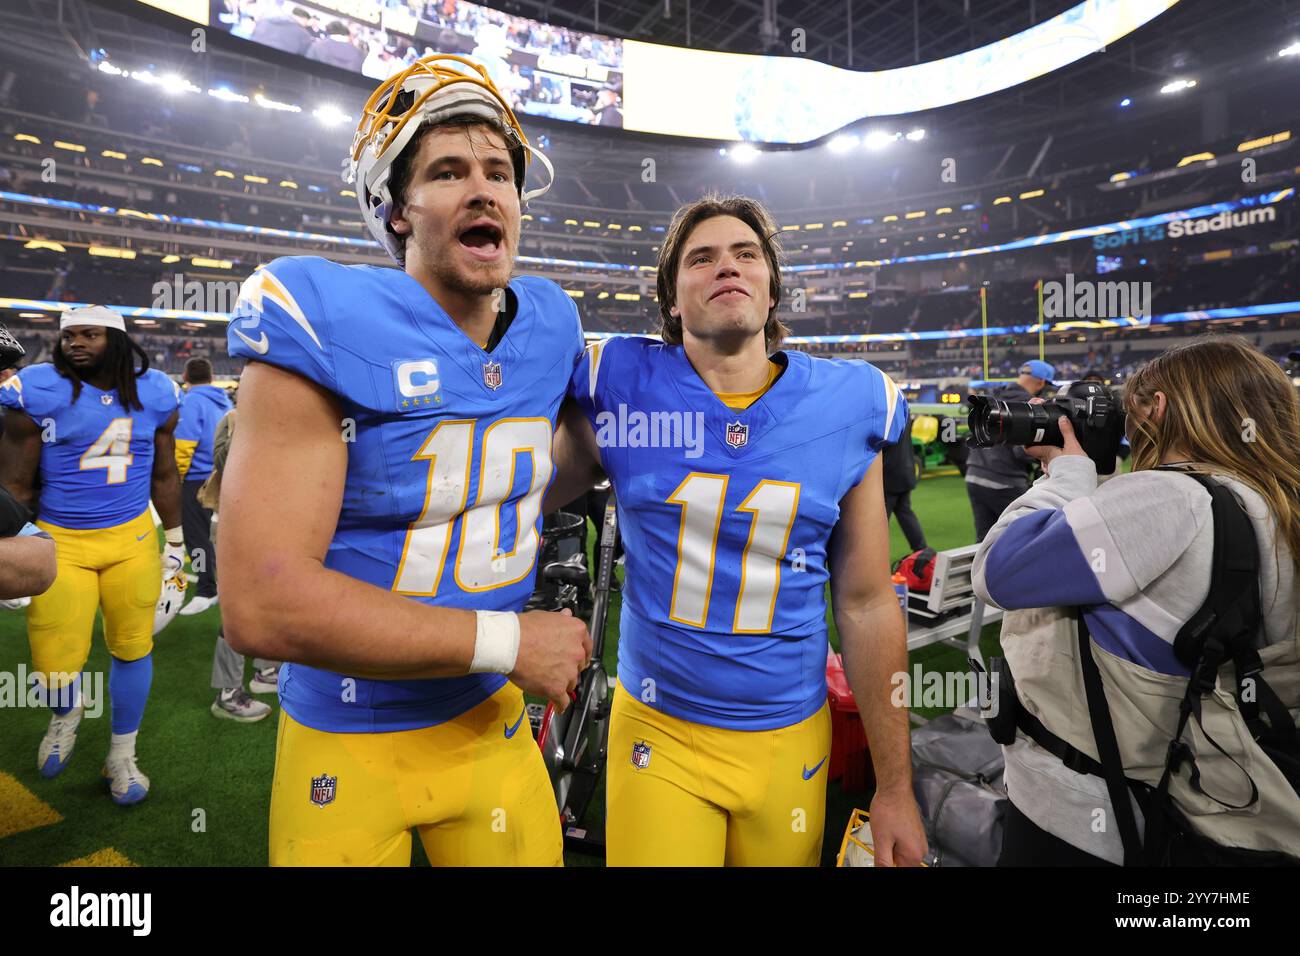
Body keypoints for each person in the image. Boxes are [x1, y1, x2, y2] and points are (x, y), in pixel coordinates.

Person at [219, 55, 588, 867]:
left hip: (488, 726)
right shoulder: (324, 316)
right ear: (395, 212)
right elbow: (260, 605)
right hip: (349, 740)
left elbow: (521, 476)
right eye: (449, 172)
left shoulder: (553, 323)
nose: (484, 188)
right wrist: (510, 642)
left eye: (499, 171)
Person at [548, 194, 929, 867]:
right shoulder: (619, 383)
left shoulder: (848, 403)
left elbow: (867, 602)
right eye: (702, 258)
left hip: (790, 733)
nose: (727, 267)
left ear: (771, 285)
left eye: (745, 254)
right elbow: (515, 495)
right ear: (672, 299)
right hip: (658, 728)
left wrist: (896, 787)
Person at [973, 335, 1300, 865]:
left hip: (1087, 813)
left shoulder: (1173, 499)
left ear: (1162, 407)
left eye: (1134, 403)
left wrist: (1066, 475)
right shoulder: (1269, 499)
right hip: (1201, 793)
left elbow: (1001, 572)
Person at [0, 305, 184, 805]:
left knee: (132, 648)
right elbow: (14, 483)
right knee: (54, 667)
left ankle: (121, 754)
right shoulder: (36, 389)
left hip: (132, 540)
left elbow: (165, 475)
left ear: (118, 341)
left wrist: (177, 540)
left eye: (89, 334)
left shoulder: (157, 392)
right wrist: (15, 548)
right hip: (62, 542)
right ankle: (67, 713)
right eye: (68, 334)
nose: (74, 342)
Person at [204, 403, 279, 721]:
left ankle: (265, 672)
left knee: (268, 601)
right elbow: (224, 463)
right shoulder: (234, 418)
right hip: (234, 526)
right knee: (238, 608)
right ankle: (227, 692)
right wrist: (251, 416)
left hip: (270, 523)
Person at [964, 359, 1053, 542]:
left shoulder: (994, 396)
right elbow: (1022, 452)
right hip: (1004, 480)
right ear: (1041, 383)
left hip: (974, 474)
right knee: (1025, 538)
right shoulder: (1026, 406)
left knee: (984, 541)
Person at [175, 357, 232, 617]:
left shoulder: (191, 402)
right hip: (222, 475)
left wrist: (175, 479)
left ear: (186, 376)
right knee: (216, 535)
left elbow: (184, 444)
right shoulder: (225, 401)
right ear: (211, 377)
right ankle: (219, 582)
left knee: (196, 535)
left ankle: (207, 589)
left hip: (196, 479)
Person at [882, 415, 927, 553]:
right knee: (904, 512)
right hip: (905, 470)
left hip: (890, 474)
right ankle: (922, 552)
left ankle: (875, 560)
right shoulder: (903, 408)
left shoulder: (887, 412)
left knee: (880, 520)